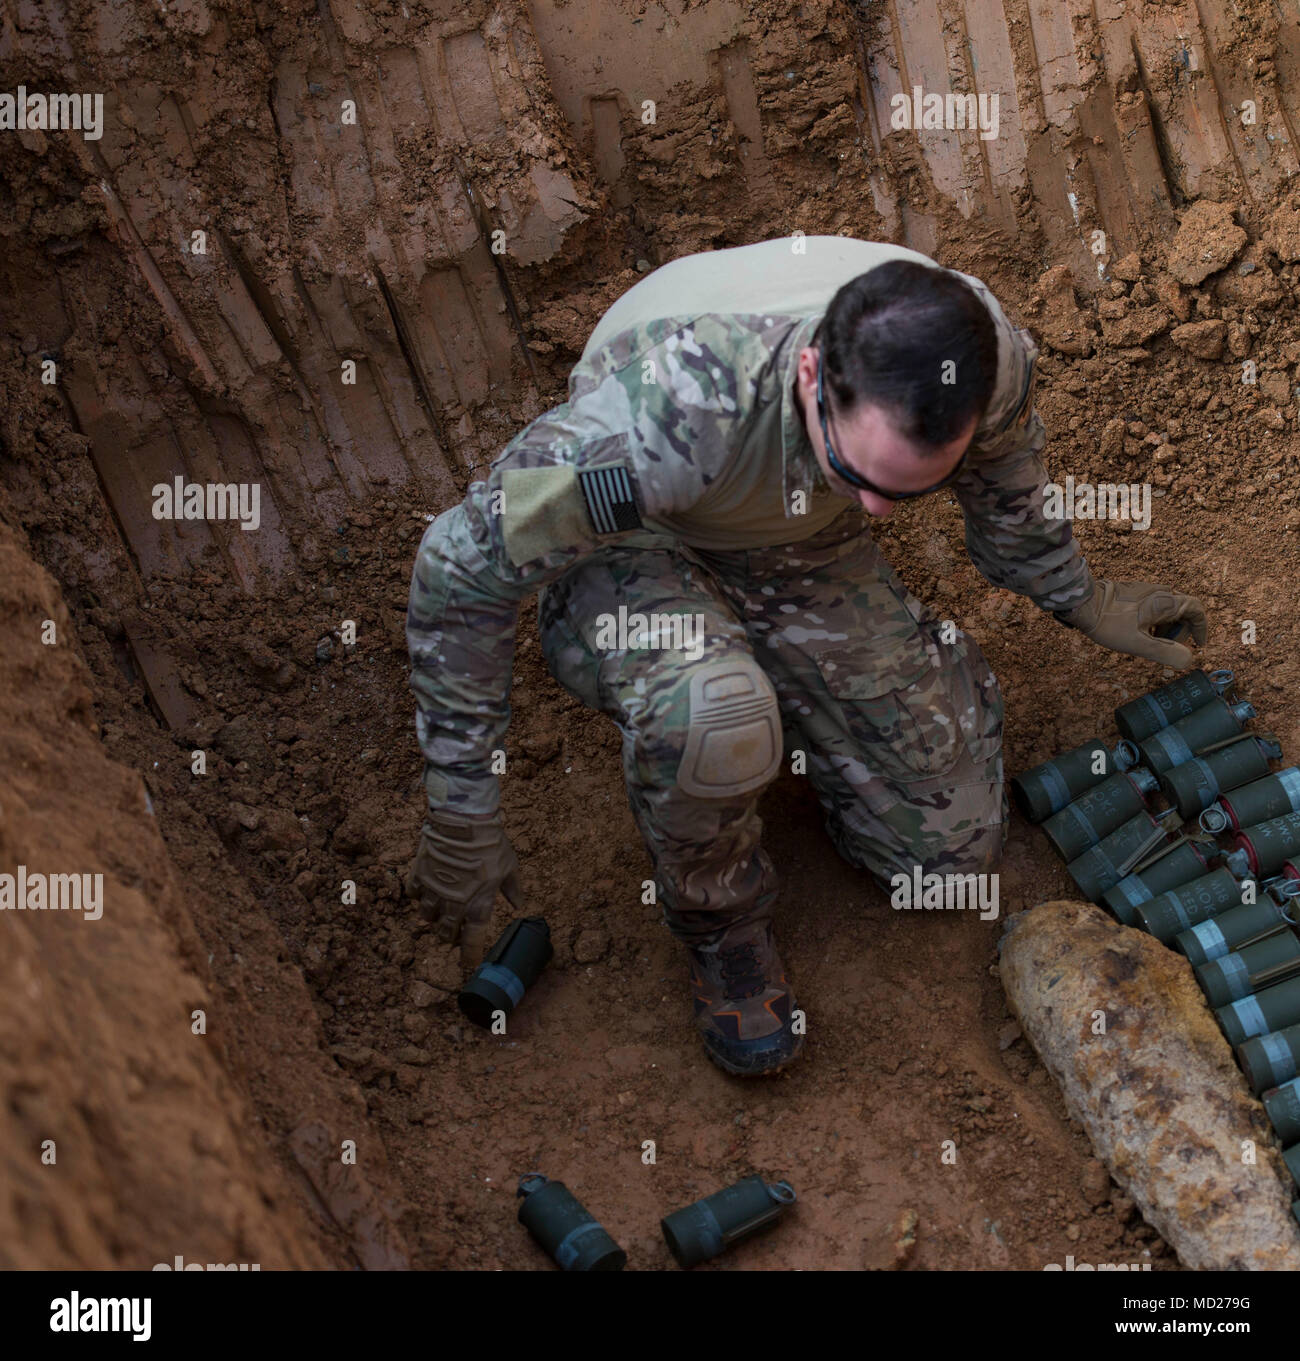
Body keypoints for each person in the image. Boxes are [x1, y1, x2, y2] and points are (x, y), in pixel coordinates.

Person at [404, 236, 1206, 1075]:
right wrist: (462, 800)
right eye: (857, 474)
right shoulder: (663, 418)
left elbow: (1006, 485)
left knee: (944, 855)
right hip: (642, 534)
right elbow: (459, 567)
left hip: (790, 536)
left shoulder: (980, 355)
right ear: (814, 373)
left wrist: (1078, 594)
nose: (876, 511)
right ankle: (724, 923)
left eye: (903, 489)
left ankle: (834, 671)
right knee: (717, 714)